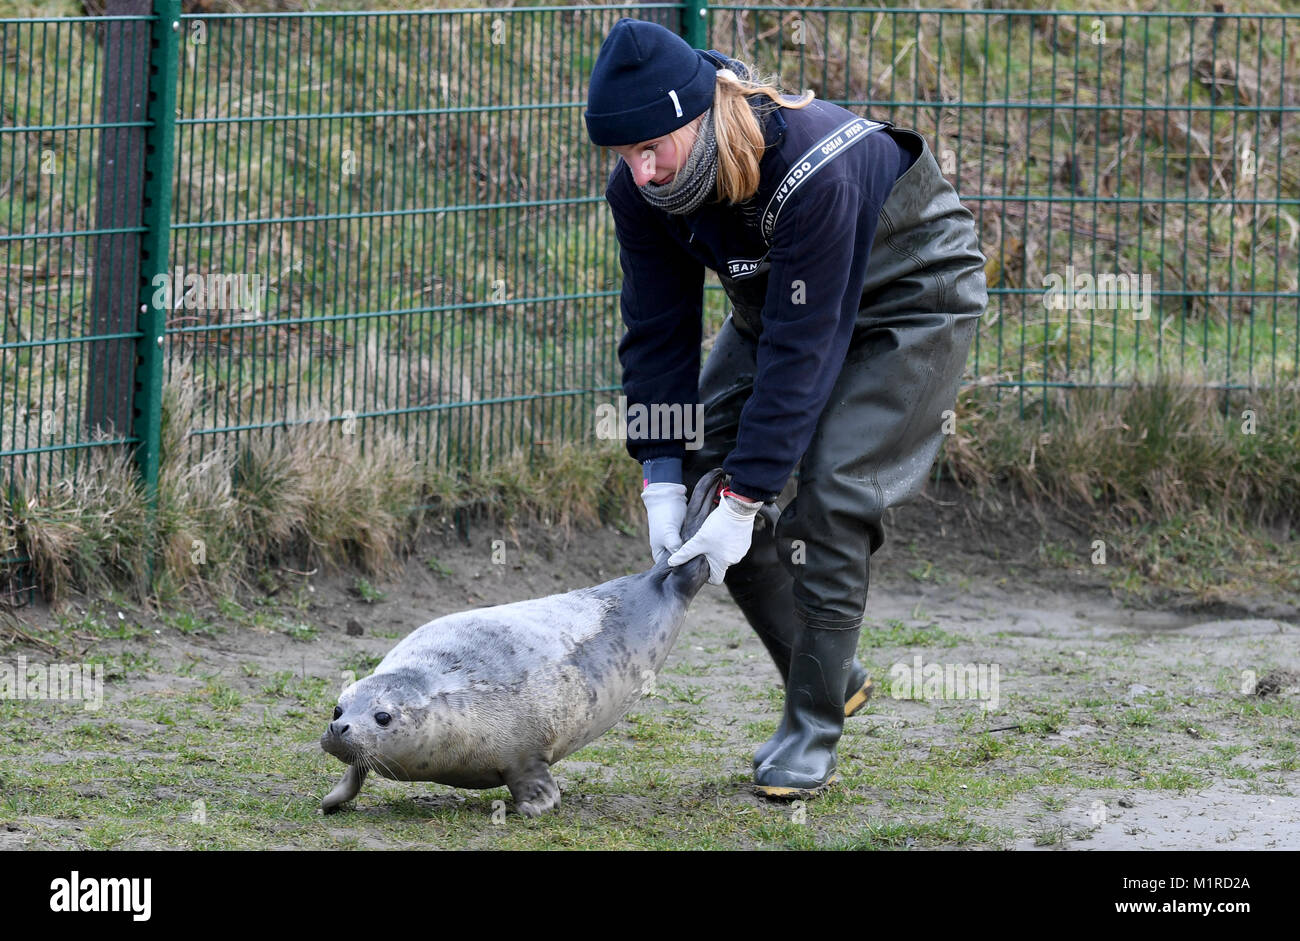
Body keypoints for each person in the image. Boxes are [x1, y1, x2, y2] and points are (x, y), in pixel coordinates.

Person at [584, 18, 987, 798]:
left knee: (831, 495)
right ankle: (826, 662)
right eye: (624, 154)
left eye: (652, 147)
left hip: (910, 301)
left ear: (697, 115)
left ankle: (812, 725)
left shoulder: (811, 170)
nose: (641, 170)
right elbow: (658, 331)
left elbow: (804, 358)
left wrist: (747, 498)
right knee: (706, 468)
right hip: (788, 305)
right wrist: (664, 477)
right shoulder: (645, 192)